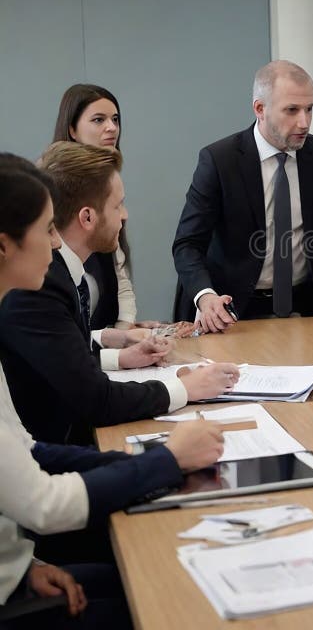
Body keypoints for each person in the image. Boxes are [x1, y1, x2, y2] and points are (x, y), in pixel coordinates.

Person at [0, 152, 225, 628]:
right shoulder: (31, 297)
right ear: (4, 246)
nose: (56, 242)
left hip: (19, 567)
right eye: (46, 230)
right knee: (175, 596)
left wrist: (157, 461)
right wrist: (164, 461)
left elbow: (28, 451)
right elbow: (43, 503)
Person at [0, 142, 239, 445]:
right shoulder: (42, 284)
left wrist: (119, 357)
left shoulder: (66, 274)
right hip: (54, 447)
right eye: (118, 205)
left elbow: (61, 358)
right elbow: (97, 400)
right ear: (87, 218)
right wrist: (186, 389)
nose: (125, 215)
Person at [173, 60, 313, 332]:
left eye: (309, 109)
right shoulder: (220, 160)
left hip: (306, 307)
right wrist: (205, 296)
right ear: (260, 109)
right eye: (292, 110)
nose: (304, 122)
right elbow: (187, 244)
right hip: (233, 311)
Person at [53, 85, 194, 357]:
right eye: (99, 120)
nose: (111, 128)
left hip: (94, 347)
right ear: (72, 129)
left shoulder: (110, 176)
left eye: (115, 119)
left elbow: (120, 274)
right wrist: (118, 341)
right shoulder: (56, 187)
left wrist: (125, 332)